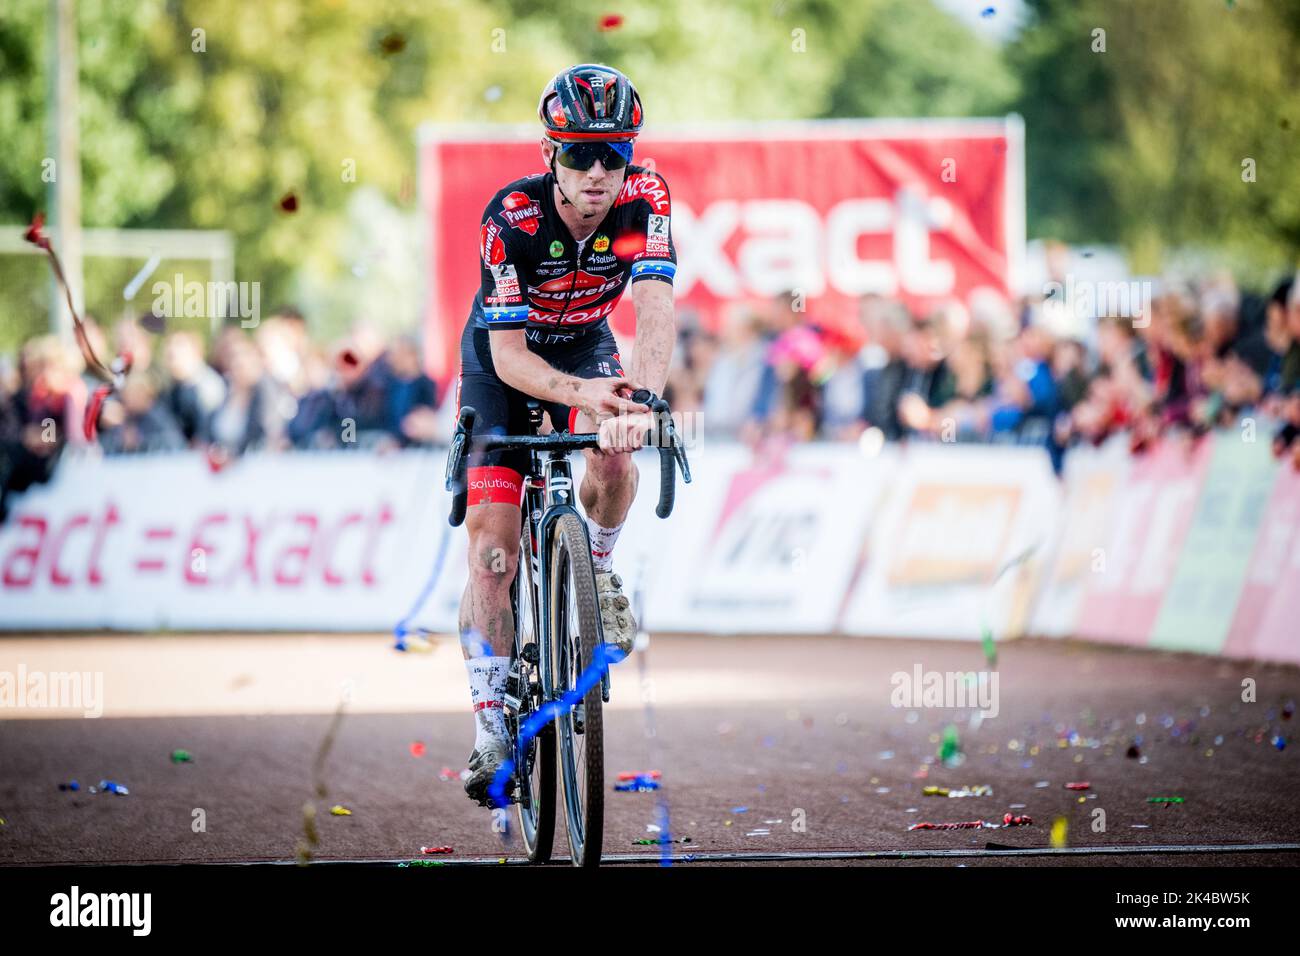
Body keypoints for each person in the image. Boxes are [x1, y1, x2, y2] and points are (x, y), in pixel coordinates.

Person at [452, 64, 677, 805]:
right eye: (580, 154)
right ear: (550, 154)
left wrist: (639, 399)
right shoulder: (510, 217)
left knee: (615, 454)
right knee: (493, 552)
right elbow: (513, 358)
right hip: (502, 362)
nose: (598, 172)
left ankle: (600, 572)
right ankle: (491, 725)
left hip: (585, 344)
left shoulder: (646, 198)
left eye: (614, 155)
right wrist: (584, 395)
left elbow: (654, 313)